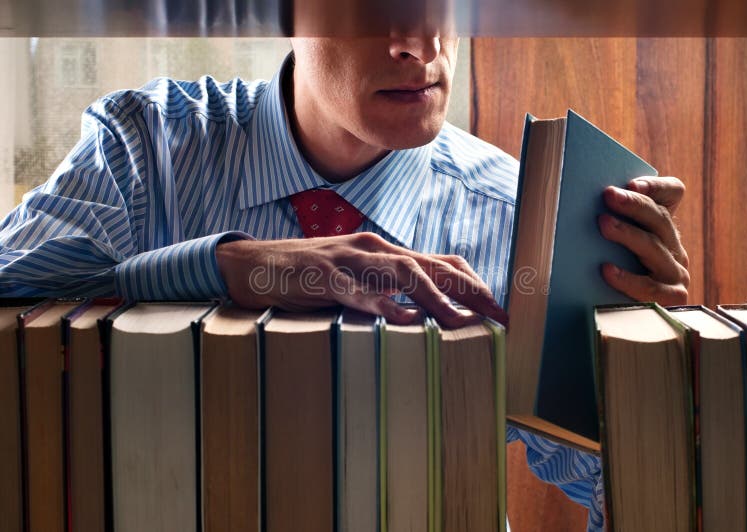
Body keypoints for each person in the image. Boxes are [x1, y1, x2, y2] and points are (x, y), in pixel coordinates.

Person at [0, 36, 689, 530]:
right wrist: (232, 267)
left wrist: (657, 382)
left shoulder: (520, 220)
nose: (422, 44)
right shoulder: (143, 147)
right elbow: (12, 295)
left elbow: (626, 493)